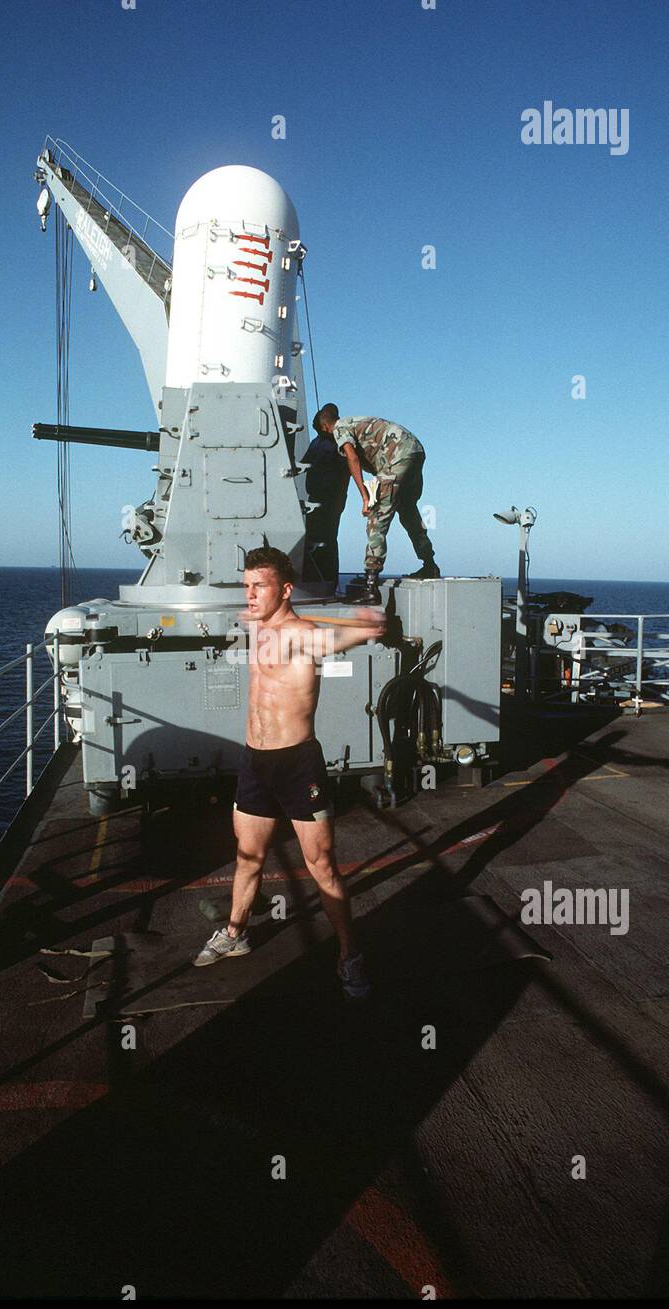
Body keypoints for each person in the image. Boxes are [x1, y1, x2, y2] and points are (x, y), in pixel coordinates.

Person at [192, 545, 386, 1000]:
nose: (250, 595)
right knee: (247, 856)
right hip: (255, 762)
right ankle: (236, 932)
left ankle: (349, 956)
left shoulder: (303, 635)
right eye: (246, 586)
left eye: (259, 586)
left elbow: (340, 638)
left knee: (321, 866)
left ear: (285, 589)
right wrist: (254, 611)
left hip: (297, 765)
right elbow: (254, 614)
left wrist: (366, 624)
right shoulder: (260, 624)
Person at [317, 406, 439, 604]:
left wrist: (365, 497)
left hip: (397, 456)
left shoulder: (339, 428)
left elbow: (353, 459)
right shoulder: (355, 421)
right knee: (408, 512)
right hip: (414, 450)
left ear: (324, 427)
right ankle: (430, 564)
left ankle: (371, 586)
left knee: (377, 518)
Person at [301, 403, 349, 588]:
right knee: (326, 539)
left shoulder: (326, 443)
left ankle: (323, 580)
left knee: (323, 540)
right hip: (330, 499)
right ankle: (326, 579)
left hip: (326, 499)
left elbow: (305, 463)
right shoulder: (336, 442)